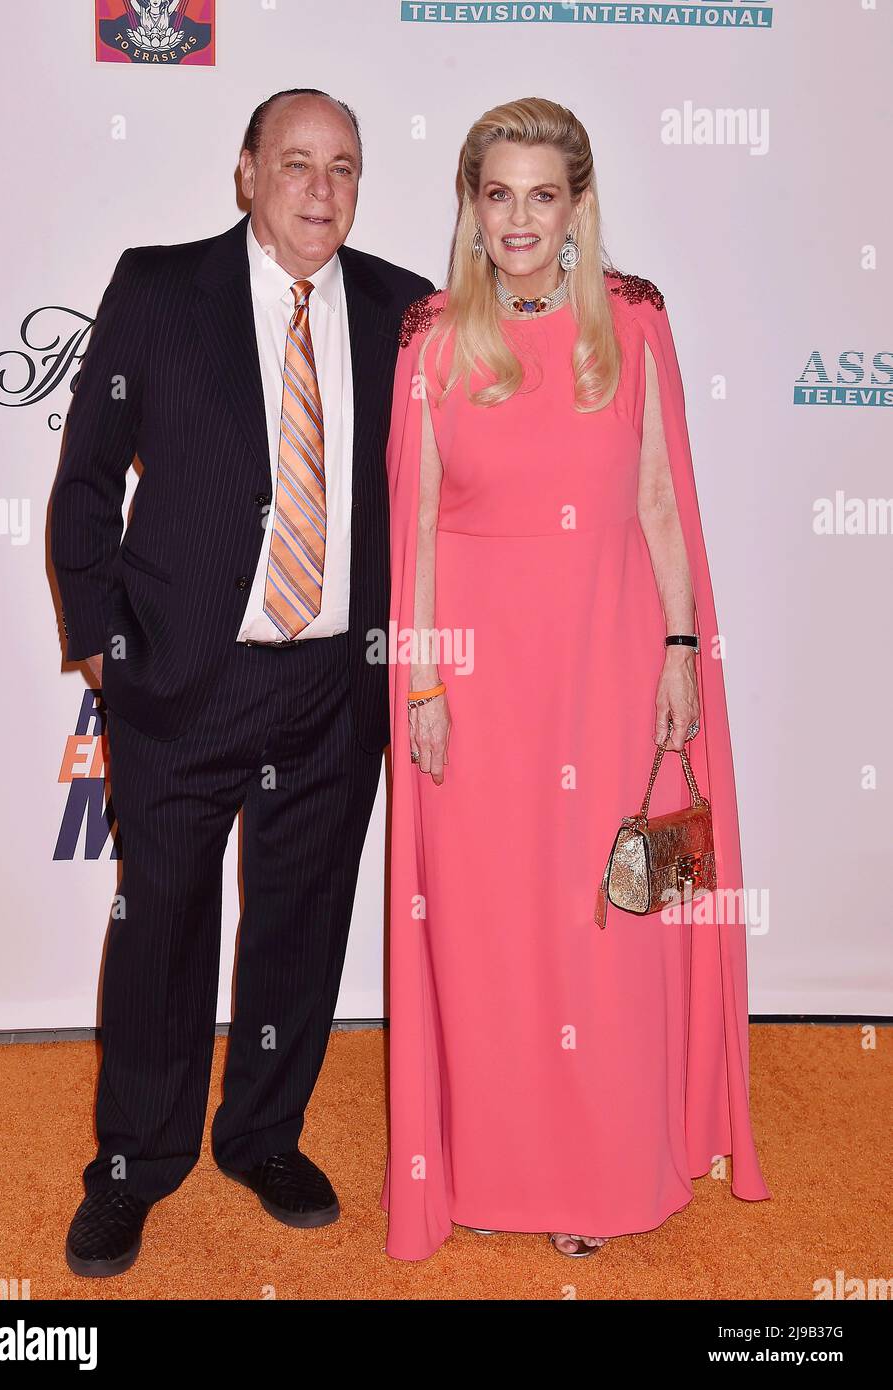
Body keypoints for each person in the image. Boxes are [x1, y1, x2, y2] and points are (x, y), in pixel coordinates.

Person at [50, 88, 434, 1277]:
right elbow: (84, 483)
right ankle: (135, 1162)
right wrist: (109, 649)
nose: (321, 190)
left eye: (344, 167)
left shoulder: (400, 307)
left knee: (301, 923)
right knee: (160, 923)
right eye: (296, 164)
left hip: (332, 684)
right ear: (246, 175)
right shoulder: (161, 290)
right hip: (185, 680)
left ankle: (263, 1133)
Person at [381, 97, 771, 1261]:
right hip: (480, 682)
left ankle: (598, 1168)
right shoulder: (432, 338)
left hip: (608, 660)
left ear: (576, 206)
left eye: (540, 194)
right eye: (495, 193)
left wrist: (681, 652)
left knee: (606, 916)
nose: (516, 217)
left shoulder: (634, 324)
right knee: (491, 929)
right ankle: (500, 1165)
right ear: (470, 205)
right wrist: (423, 689)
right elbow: (417, 540)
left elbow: (661, 503)